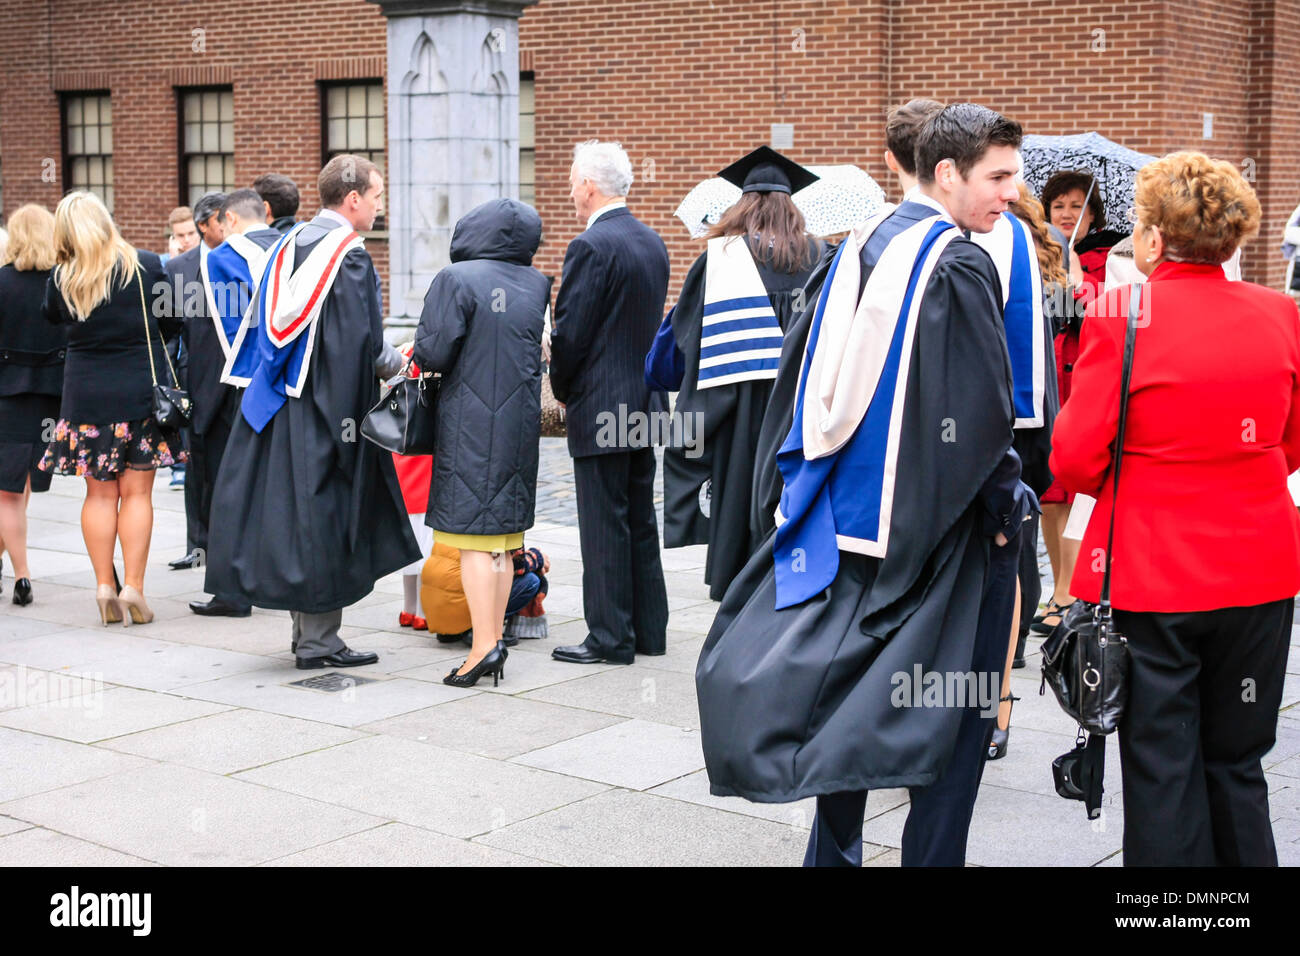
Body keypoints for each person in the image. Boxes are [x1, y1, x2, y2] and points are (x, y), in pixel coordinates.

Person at [697, 103, 1031, 867]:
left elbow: (802, 376)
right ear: (947, 174)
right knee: (953, 718)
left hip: (848, 513)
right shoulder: (957, 260)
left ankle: (834, 856)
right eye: (999, 177)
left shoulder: (867, 241)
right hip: (937, 531)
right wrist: (1008, 510)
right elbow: (980, 416)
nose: (1011, 194)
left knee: (854, 702)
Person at [1051, 151, 1300, 866]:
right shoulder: (1279, 312)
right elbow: (1289, 439)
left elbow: (1073, 459)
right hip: (1259, 567)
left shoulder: (1123, 311)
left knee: (1163, 766)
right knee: (1239, 759)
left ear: (1155, 240)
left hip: (1152, 572)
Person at [204, 154, 416, 669]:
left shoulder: (289, 243)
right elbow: (359, 348)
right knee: (325, 516)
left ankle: (307, 635)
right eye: (377, 197)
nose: (379, 207)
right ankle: (321, 643)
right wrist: (399, 365)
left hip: (278, 401)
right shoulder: (348, 257)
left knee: (295, 519)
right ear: (353, 199)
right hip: (326, 408)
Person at [653, 146, 825, 601]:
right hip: (798, 416)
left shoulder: (722, 257)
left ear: (742, 204)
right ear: (792, 205)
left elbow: (684, 343)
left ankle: (739, 597)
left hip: (739, 419)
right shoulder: (821, 256)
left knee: (739, 510)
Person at [413, 197, 550, 687]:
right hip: (517, 424)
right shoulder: (536, 283)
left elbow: (433, 350)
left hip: (469, 425)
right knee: (500, 546)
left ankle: (484, 647)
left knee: (474, 544)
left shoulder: (457, 279)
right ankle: (490, 642)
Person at [549, 139, 671, 665]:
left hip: (600, 405)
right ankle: (648, 630)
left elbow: (572, 334)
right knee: (639, 517)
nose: (570, 190)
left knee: (602, 523)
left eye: (573, 181)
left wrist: (560, 381)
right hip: (642, 403)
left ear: (590, 186)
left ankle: (610, 637)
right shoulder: (652, 242)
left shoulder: (590, 247)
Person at [38, 192, 182, 625]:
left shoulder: (62, 277)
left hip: (85, 399)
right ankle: (134, 586)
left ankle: (105, 585)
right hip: (140, 394)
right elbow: (172, 321)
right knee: (137, 494)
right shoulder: (146, 265)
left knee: (99, 494)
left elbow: (53, 323)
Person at [970, 183, 1062, 759]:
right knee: (1010, 553)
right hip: (1000, 420)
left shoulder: (1007, 239)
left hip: (1002, 420)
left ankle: (998, 697)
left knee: (1007, 555)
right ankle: (993, 693)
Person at [178, 188, 284, 617]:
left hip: (236, 392)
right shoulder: (292, 249)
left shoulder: (221, 258)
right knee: (275, 489)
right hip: (287, 385)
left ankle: (233, 592)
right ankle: (276, 582)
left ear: (229, 221)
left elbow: (232, 336)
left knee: (230, 492)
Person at [1032, 170, 1125, 636]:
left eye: (1076, 207)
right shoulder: (1036, 252)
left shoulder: (1109, 259)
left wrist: (1073, 277)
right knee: (1050, 495)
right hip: (1047, 381)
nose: (1067, 215)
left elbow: (1097, 312)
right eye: (1058, 207)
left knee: (1078, 488)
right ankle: (1059, 587)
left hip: (1085, 380)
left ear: (1093, 214)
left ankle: (1069, 590)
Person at [0, 204, 65, 606]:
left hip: (6, 395)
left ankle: (22, 576)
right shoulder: (62, 282)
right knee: (20, 491)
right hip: (50, 397)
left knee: (7, 494)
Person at [166, 192, 227, 572]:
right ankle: (198, 545)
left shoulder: (247, 260)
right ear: (206, 225)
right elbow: (169, 333)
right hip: (195, 382)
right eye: (224, 220)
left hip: (239, 383)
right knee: (197, 467)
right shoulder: (177, 269)